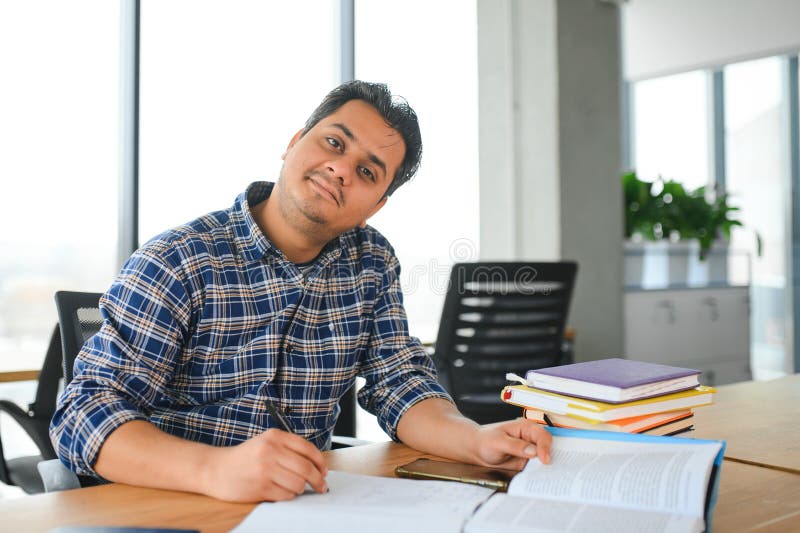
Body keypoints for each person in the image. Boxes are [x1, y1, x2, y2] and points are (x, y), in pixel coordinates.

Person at [50, 80, 551, 503]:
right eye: (334, 143)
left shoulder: (371, 263)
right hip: (173, 502)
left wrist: (475, 440)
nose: (342, 169)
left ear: (375, 205)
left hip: (300, 506)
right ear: (293, 142)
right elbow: (82, 415)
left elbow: (401, 385)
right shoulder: (180, 258)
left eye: (368, 172)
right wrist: (216, 470)